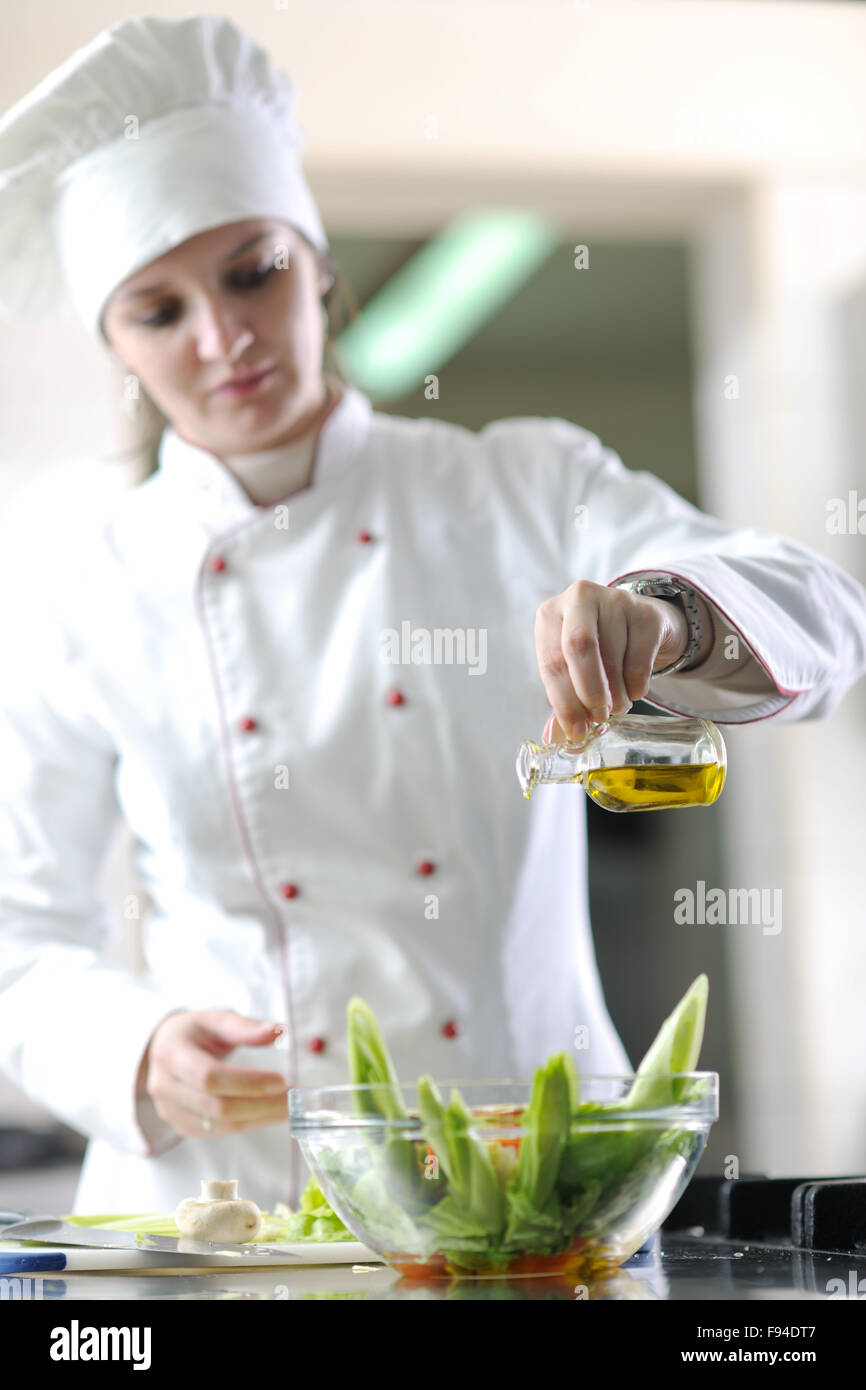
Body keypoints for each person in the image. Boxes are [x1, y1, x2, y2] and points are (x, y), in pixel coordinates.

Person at [0, 15, 864, 1217]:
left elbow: (825, 613)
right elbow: (20, 937)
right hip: (227, 1203)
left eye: (253, 270)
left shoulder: (520, 483)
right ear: (117, 345)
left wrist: (664, 616)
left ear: (317, 264)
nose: (223, 337)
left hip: (535, 1187)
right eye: (158, 311)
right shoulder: (75, 580)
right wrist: (134, 1047)